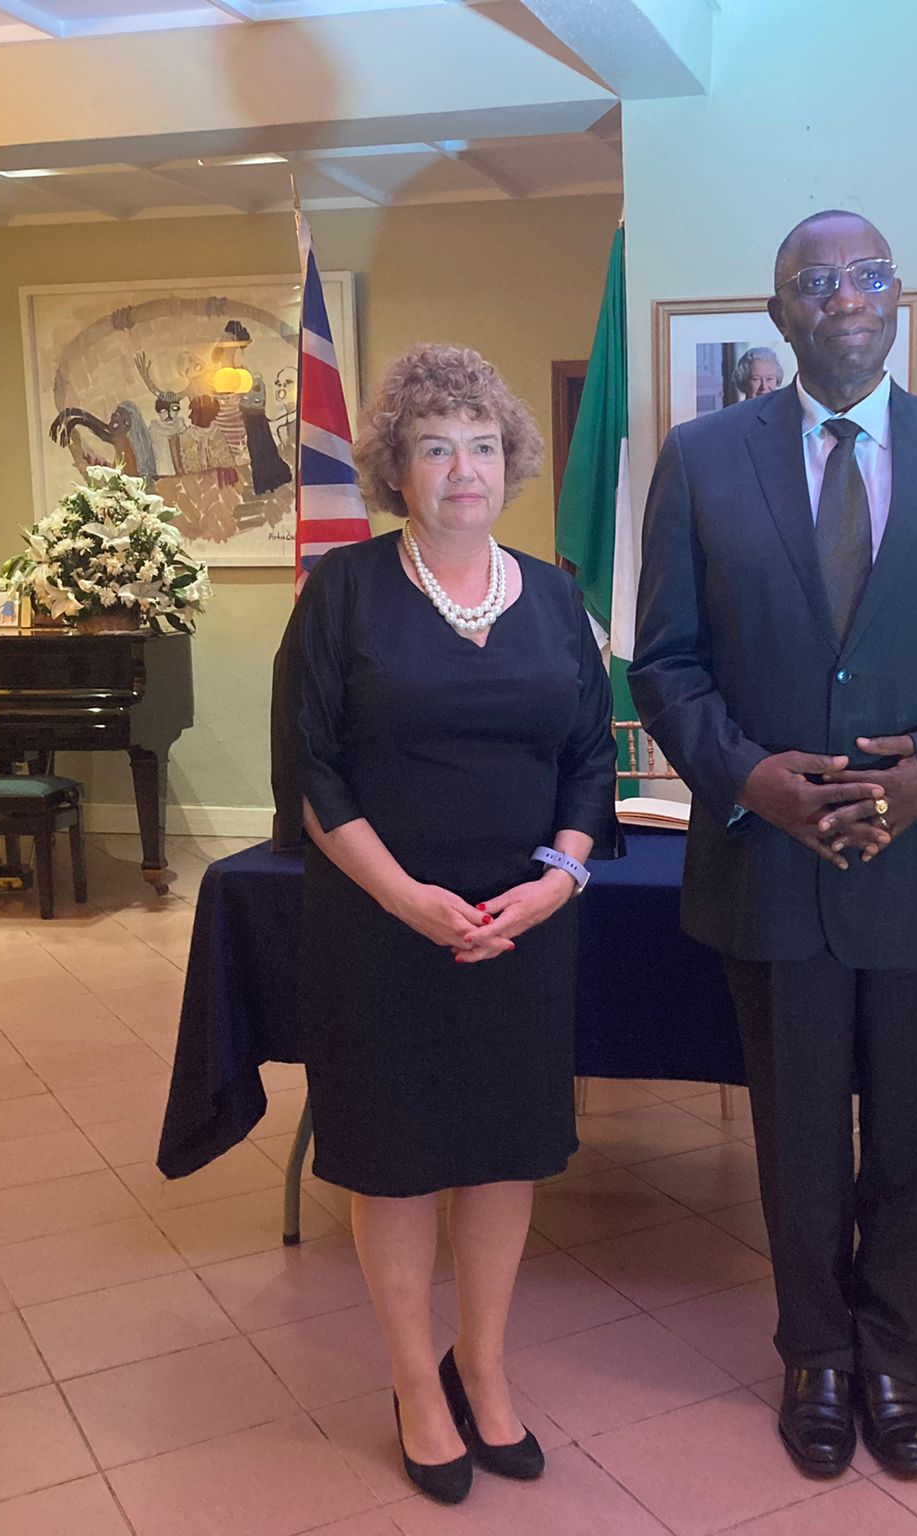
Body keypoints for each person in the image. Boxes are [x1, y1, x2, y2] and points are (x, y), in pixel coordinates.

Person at [631, 210, 917, 1481]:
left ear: (896, 300)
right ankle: (814, 1354)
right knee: (799, 1129)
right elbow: (665, 657)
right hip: (771, 865)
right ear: (779, 316)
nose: (841, 297)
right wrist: (745, 777)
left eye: (863, 275)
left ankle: (894, 1358)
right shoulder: (703, 462)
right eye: (811, 283)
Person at [292, 343, 619, 1504]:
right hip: (382, 927)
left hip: (523, 924)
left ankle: (479, 1365)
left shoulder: (557, 592)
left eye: (482, 446)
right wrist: (403, 900)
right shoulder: (341, 593)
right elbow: (315, 773)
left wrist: (557, 882)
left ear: (510, 462)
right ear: (396, 467)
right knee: (392, 1160)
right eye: (435, 447)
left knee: (501, 1151)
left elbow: (589, 759)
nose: (463, 469)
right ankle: (411, 1383)